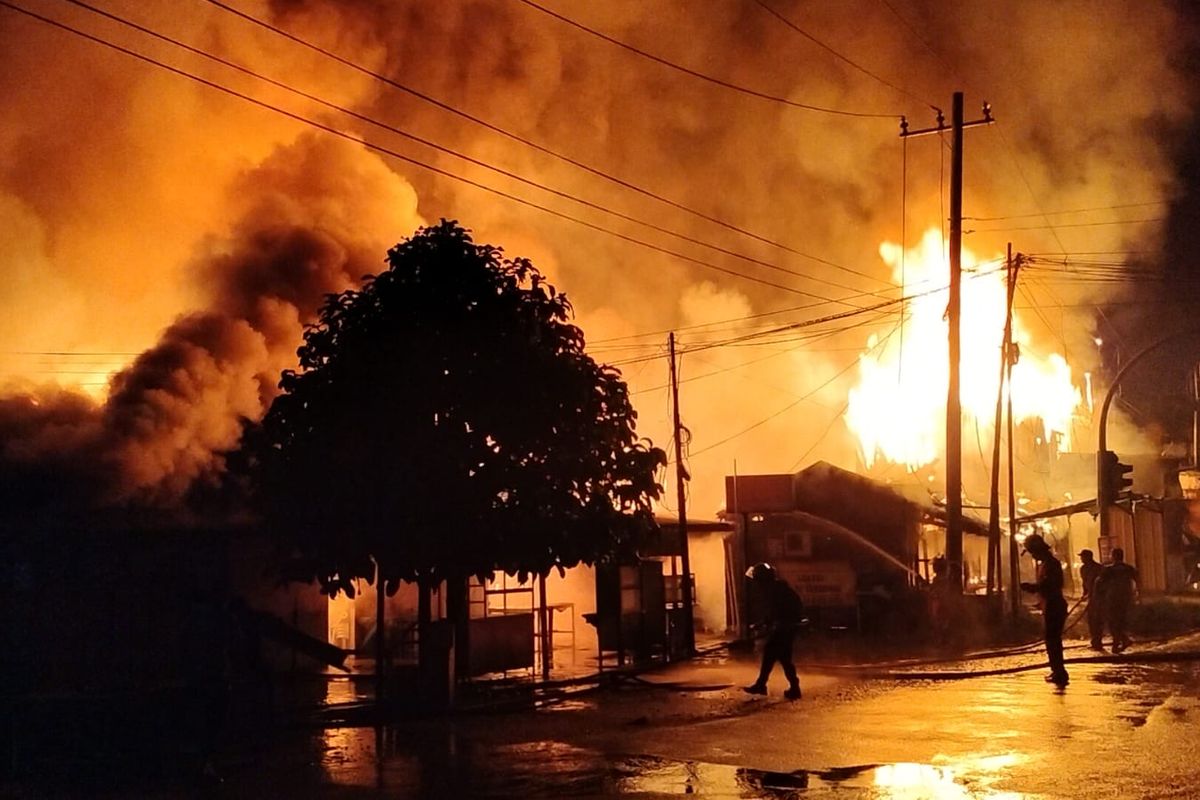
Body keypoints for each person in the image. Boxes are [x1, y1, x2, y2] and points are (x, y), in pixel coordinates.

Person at [743, 562, 804, 700]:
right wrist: (763, 623)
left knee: (772, 654)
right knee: (782, 658)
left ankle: (763, 685)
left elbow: (777, 612)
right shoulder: (777, 588)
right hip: (787, 627)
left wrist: (768, 623)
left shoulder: (776, 591)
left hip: (785, 628)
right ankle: (793, 688)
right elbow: (774, 612)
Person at [1020, 533, 1069, 686]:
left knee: (1053, 640)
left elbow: (1051, 585)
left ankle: (1059, 672)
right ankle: (1057, 671)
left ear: (1038, 550)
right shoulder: (1046, 564)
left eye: (1032, 552)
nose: (1033, 556)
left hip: (1055, 606)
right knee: (1052, 640)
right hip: (1051, 605)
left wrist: (1033, 587)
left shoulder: (1051, 564)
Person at [1097, 547, 1138, 653]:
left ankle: (1121, 641)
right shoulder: (1129, 568)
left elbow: (1100, 583)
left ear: (1113, 556)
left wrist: (1098, 596)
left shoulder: (1109, 570)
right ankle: (1119, 643)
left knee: (1113, 622)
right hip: (1125, 598)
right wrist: (1137, 594)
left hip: (1112, 599)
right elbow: (1137, 580)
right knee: (1121, 621)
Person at [1078, 548, 1105, 651]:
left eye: (1082, 557)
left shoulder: (1099, 568)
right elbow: (1084, 582)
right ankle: (1095, 640)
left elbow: (1103, 583)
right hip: (1091, 597)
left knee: (1098, 619)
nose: (1081, 559)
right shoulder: (1083, 569)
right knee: (1091, 619)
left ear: (1088, 557)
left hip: (1099, 597)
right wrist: (1084, 593)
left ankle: (1098, 641)